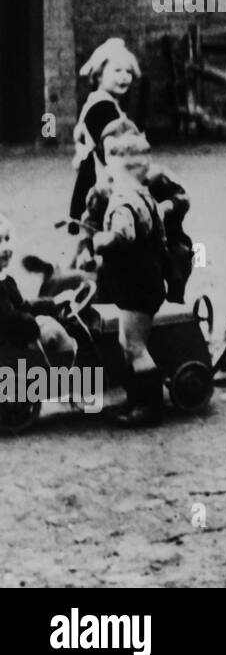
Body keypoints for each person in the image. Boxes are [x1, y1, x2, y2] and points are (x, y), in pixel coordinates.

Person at [92, 131, 169, 426]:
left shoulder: (124, 199)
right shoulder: (144, 194)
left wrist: (100, 240)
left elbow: (123, 236)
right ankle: (136, 400)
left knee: (134, 345)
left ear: (119, 164)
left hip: (135, 285)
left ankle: (148, 407)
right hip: (146, 280)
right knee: (128, 342)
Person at [70, 38, 139, 224]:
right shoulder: (102, 106)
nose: (124, 76)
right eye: (117, 71)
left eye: (128, 72)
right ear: (99, 75)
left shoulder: (104, 101)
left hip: (97, 169)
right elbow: (113, 144)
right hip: (100, 175)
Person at [0, 213, 78, 368]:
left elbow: (21, 307)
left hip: (15, 341)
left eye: (7, 239)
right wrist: (37, 323)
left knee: (56, 332)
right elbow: (10, 320)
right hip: (7, 351)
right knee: (57, 336)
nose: (6, 247)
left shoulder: (6, 280)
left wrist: (53, 303)